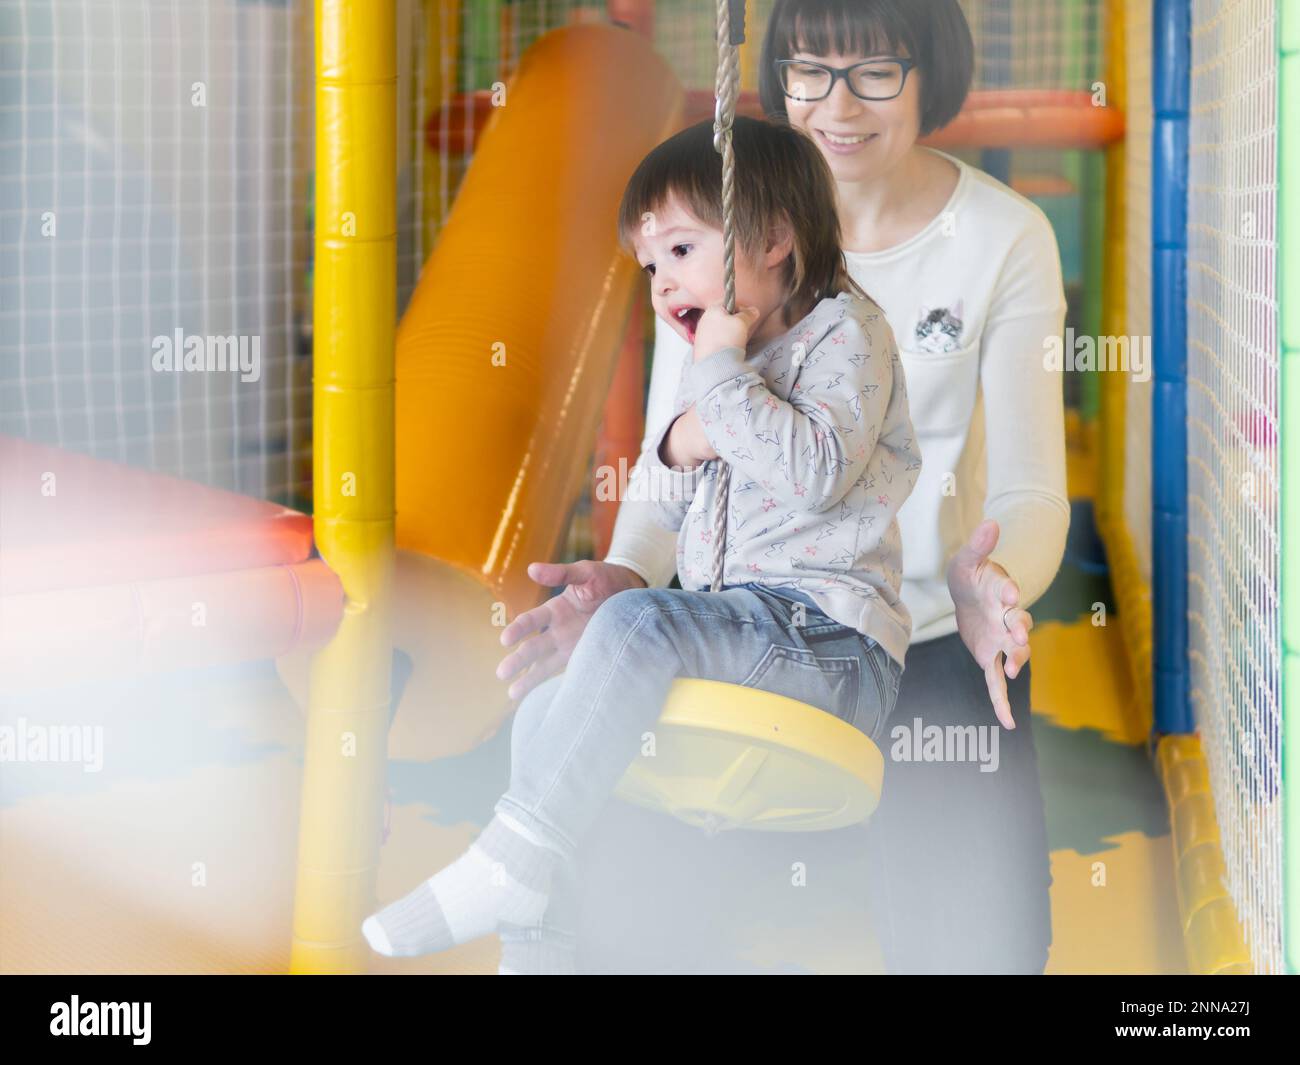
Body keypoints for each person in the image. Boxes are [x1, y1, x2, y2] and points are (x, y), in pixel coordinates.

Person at [497, 0, 1067, 974]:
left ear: (929, 70)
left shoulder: (1004, 238)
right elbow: (687, 440)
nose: (837, 104)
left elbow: (1031, 485)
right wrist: (629, 573)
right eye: (809, 70)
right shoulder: (725, 221)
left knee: (984, 941)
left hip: (926, 633)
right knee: (623, 901)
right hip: (749, 626)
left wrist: (993, 579)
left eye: (874, 71)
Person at [361, 115, 919, 965]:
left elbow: (813, 472)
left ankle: (508, 860)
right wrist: (676, 450)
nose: (662, 284)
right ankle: (535, 946)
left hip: (833, 650)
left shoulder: (847, 334)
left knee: (643, 624)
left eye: (683, 252)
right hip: (754, 633)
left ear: (772, 238)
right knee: (546, 704)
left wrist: (716, 389)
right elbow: (685, 473)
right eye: (651, 265)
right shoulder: (727, 363)